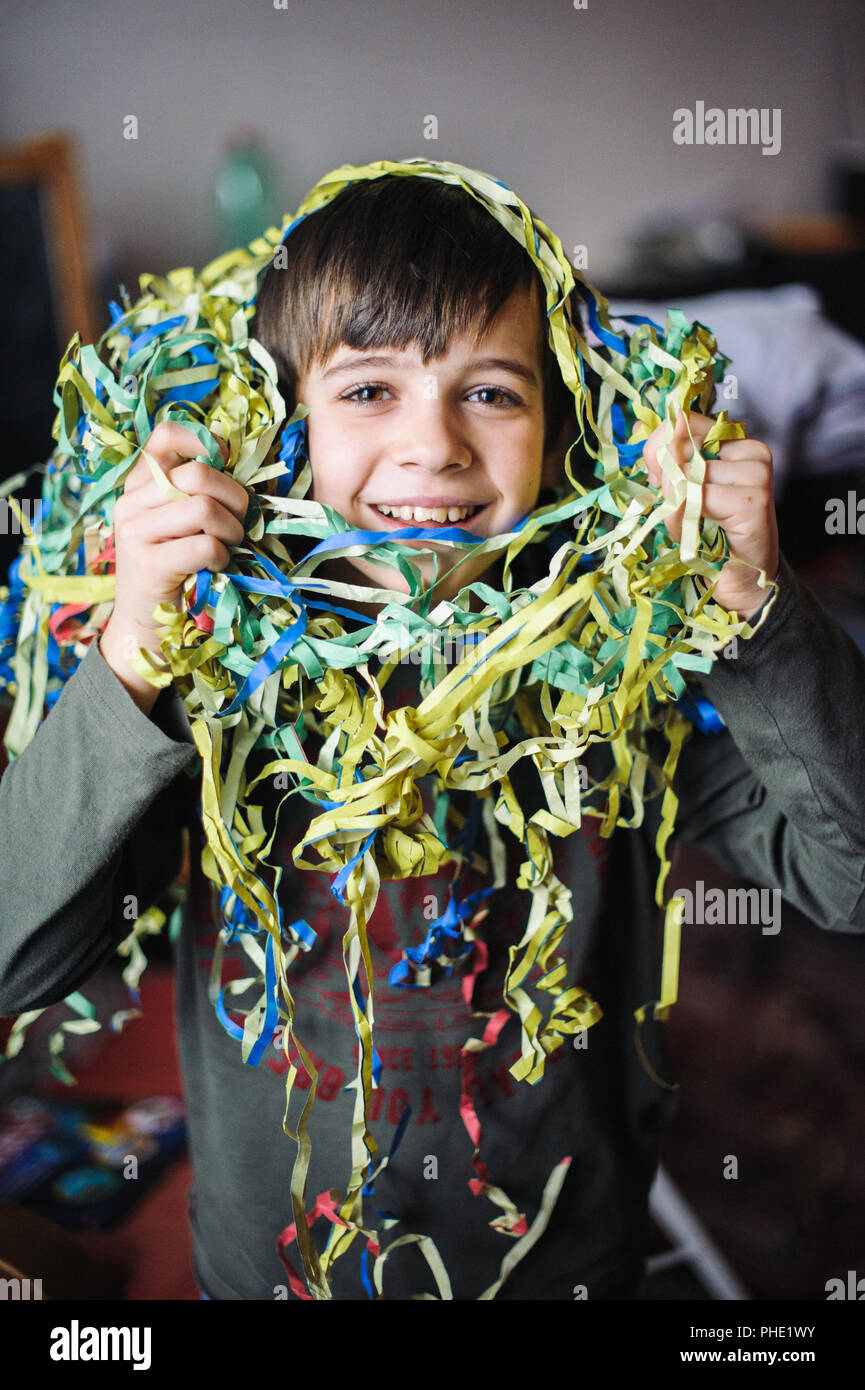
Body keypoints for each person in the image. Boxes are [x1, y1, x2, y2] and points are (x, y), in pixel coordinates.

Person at [1, 166, 863, 1302]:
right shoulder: (214, 684)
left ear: (563, 432)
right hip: (271, 1276)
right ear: (280, 426)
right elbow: (17, 952)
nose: (434, 445)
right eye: (367, 391)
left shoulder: (626, 680)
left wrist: (760, 615)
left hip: (564, 1265)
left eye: (492, 392)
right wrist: (132, 654)